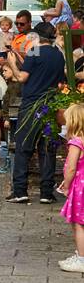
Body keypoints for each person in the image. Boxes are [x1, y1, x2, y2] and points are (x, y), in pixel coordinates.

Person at [8, 21, 67, 203]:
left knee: (24, 148)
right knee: (47, 148)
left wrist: (12, 64)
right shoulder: (58, 55)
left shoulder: (35, 51)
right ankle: (46, 193)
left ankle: (20, 191)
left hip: (32, 105)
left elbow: (22, 77)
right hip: (50, 106)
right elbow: (60, 83)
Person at [56, 103, 84, 273]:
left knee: (78, 223)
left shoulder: (76, 142)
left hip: (80, 185)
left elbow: (71, 167)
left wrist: (66, 185)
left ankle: (81, 259)